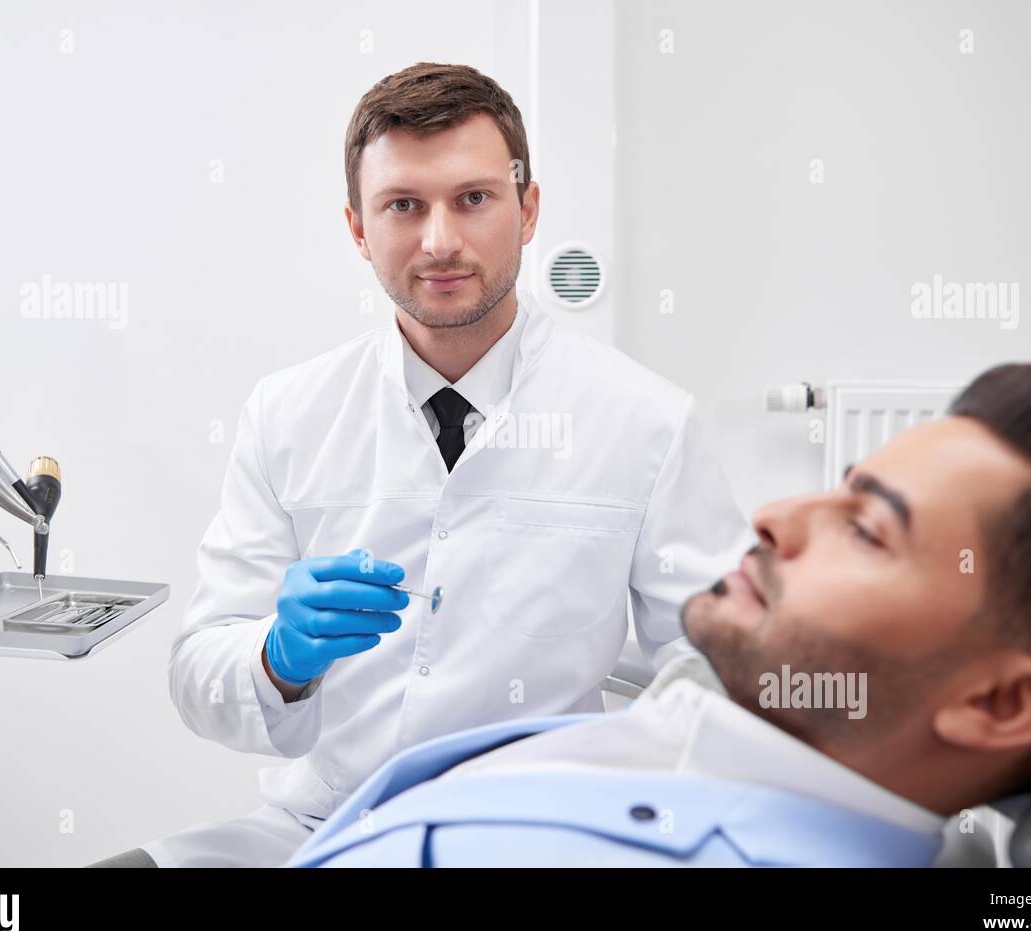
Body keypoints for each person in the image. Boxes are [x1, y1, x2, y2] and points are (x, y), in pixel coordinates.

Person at [98, 63, 748, 868]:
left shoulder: (646, 420)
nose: (440, 240)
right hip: (320, 827)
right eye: (404, 205)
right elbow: (200, 674)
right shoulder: (289, 411)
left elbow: (722, 664)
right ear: (358, 228)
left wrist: (612, 789)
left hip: (543, 838)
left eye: (473, 198)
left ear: (529, 208)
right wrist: (279, 657)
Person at [283, 362, 1031, 867]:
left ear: (999, 703)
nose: (774, 518)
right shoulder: (712, 733)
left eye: (865, 530)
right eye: (840, 491)